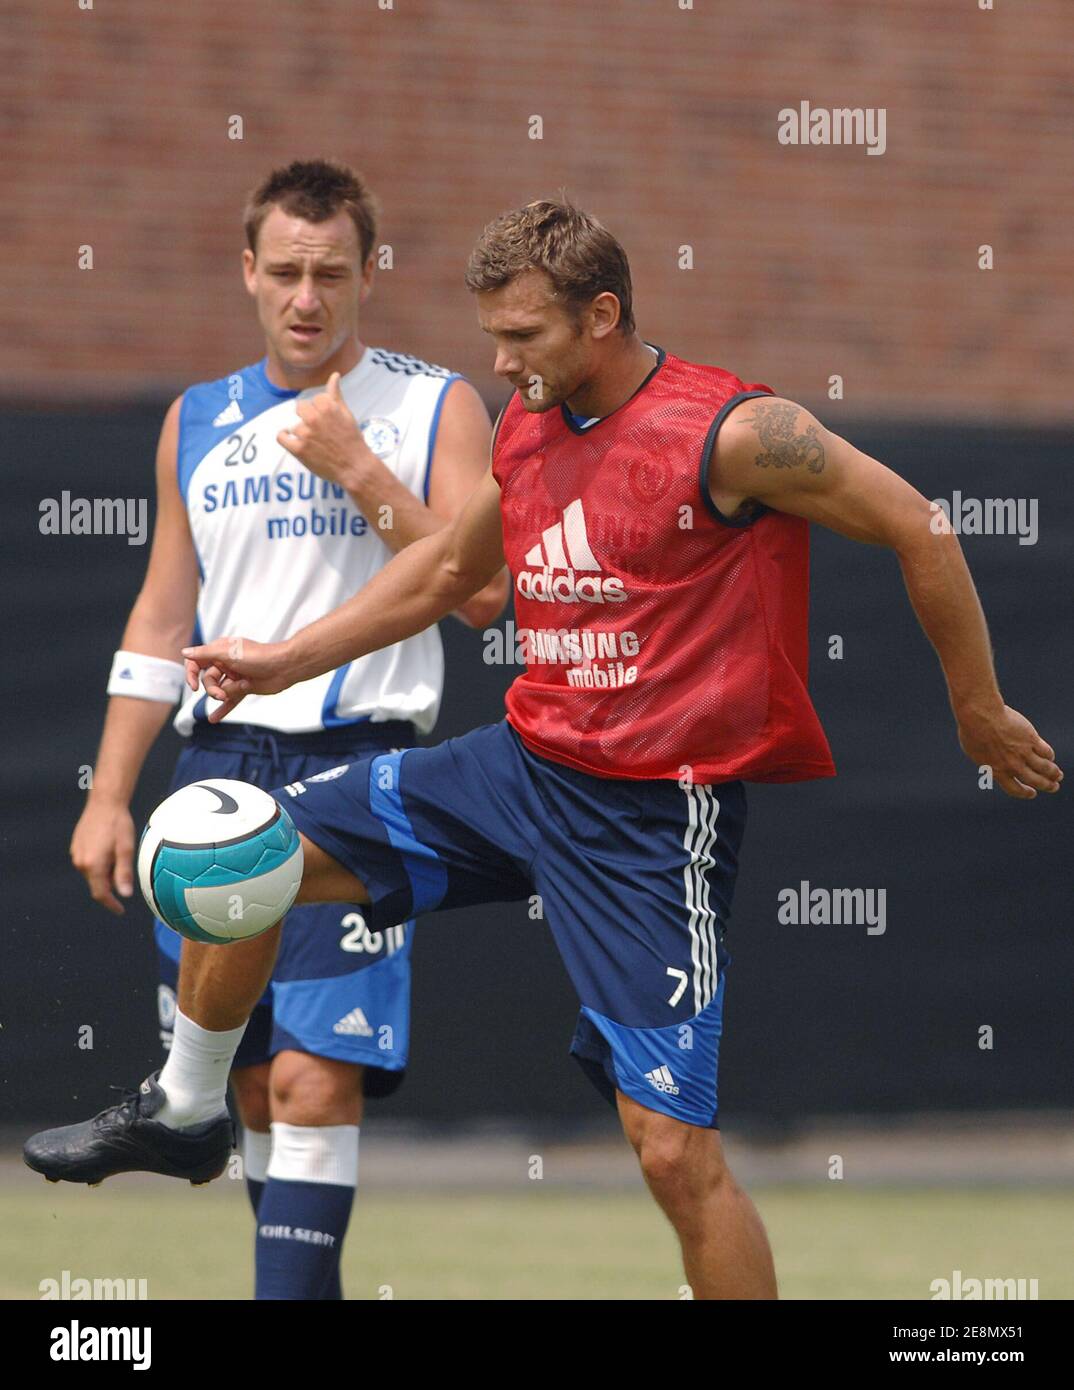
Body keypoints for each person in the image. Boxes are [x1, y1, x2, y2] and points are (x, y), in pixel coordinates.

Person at [27, 199, 1061, 1300]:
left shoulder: (735, 432)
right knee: (246, 853)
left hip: (652, 823)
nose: (501, 359)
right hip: (517, 771)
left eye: (523, 336)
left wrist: (980, 711)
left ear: (602, 314)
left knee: (672, 1153)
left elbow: (920, 523)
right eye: (491, 336)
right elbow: (443, 577)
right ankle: (188, 1110)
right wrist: (284, 658)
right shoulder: (528, 419)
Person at [33, 158, 506, 1301]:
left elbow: (483, 591)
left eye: (331, 273)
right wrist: (109, 793)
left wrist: (358, 469)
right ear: (247, 272)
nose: (307, 296)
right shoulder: (195, 418)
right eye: (285, 271)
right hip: (217, 775)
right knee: (243, 1089)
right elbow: (161, 613)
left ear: (368, 276)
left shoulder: (436, 400)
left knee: (312, 1081)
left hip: (360, 767)